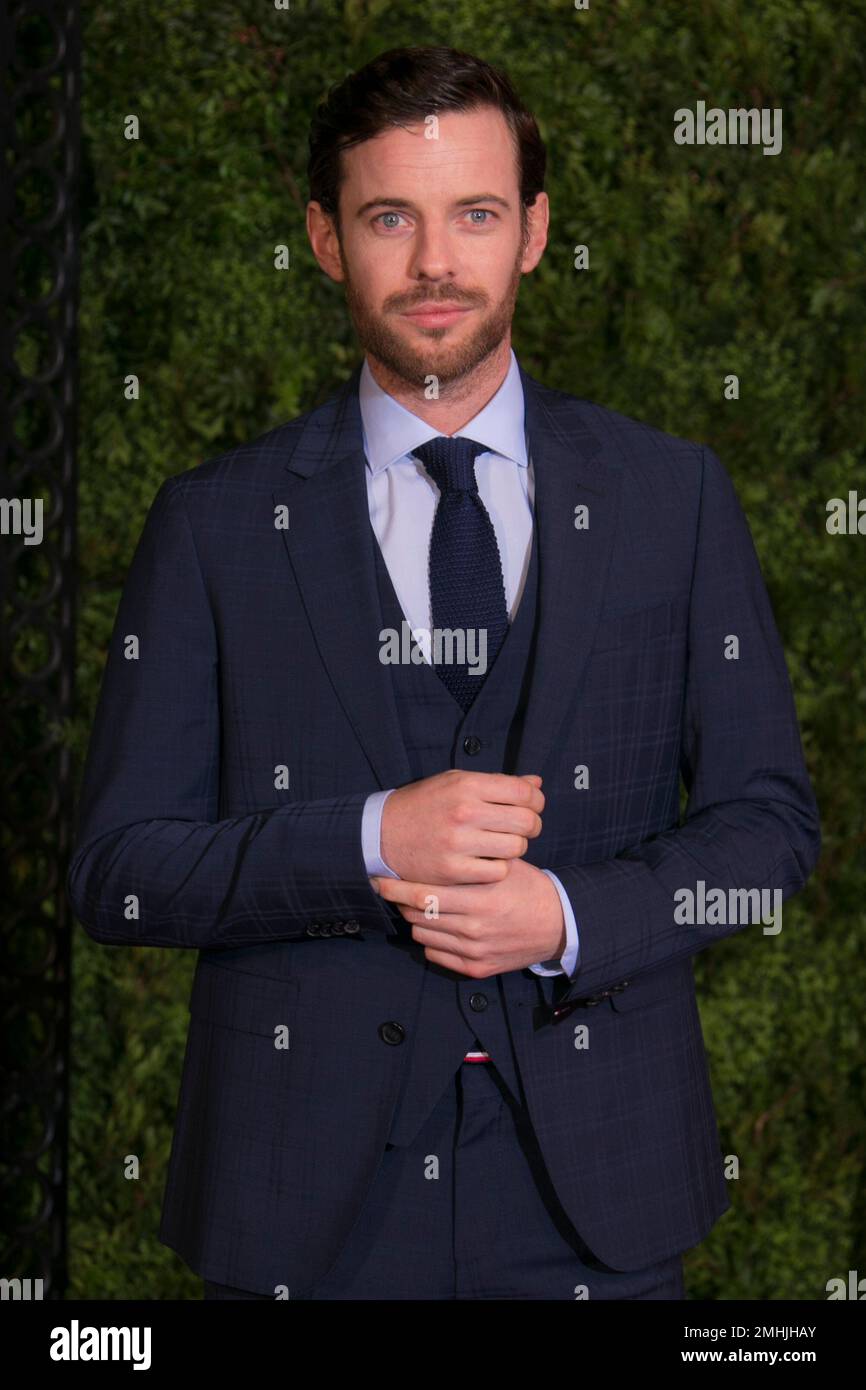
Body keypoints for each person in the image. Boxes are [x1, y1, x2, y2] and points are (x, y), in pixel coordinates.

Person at [67, 44, 820, 1301]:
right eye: (386, 219)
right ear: (322, 239)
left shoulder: (668, 496)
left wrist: (569, 920)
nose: (432, 264)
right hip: (300, 1205)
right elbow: (118, 872)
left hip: (601, 1201)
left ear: (530, 232)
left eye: (472, 214)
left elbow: (769, 831)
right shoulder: (211, 521)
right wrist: (368, 839)